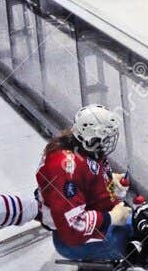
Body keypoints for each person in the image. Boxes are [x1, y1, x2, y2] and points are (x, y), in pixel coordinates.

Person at [35, 106, 134, 262]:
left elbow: (87, 184)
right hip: (71, 242)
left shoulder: (84, 148)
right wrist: (111, 218)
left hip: (88, 227)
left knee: (144, 221)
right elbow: (72, 227)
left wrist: (108, 180)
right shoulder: (65, 168)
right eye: (105, 136)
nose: (108, 140)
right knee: (138, 236)